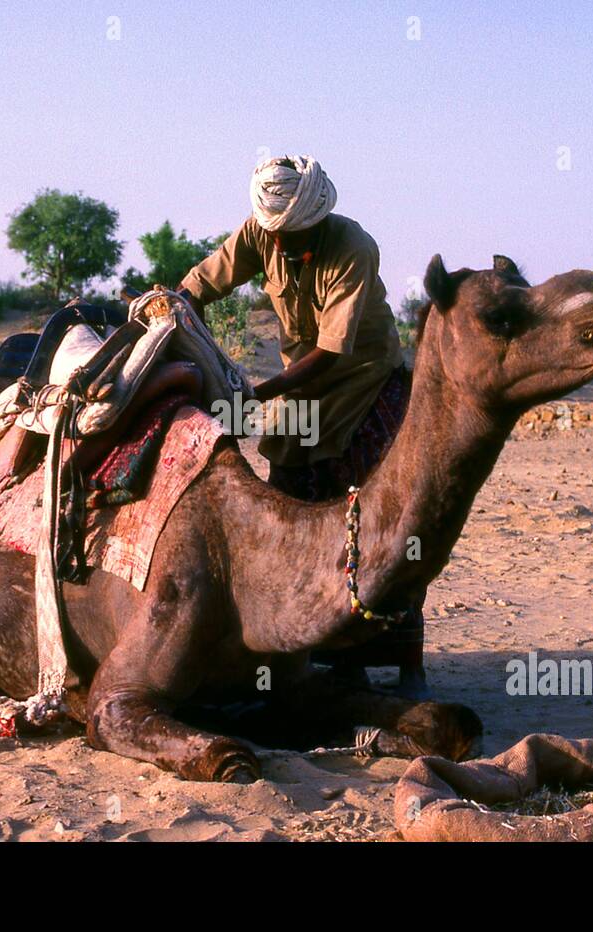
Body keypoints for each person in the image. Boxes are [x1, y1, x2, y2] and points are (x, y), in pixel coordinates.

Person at [179, 155, 427, 697]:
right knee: (289, 498)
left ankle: (402, 657)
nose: (283, 246)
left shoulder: (353, 247)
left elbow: (334, 354)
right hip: (300, 381)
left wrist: (252, 393)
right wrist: (172, 311)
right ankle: (315, 643)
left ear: (316, 217)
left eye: (295, 235)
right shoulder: (260, 233)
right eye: (276, 235)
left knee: (376, 508)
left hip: (360, 376)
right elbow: (203, 282)